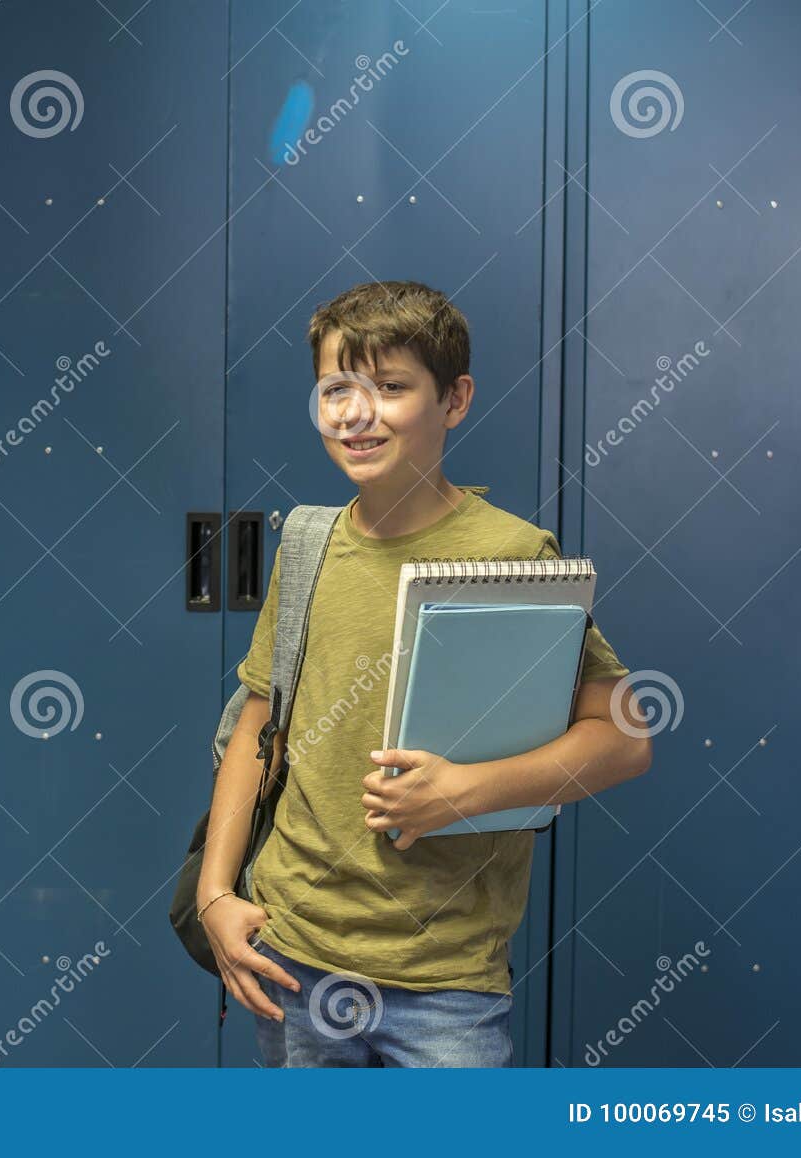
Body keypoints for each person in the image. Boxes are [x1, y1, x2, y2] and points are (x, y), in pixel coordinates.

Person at [194, 280, 652, 1067]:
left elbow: (624, 738)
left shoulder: (512, 556)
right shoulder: (307, 546)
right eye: (336, 389)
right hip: (292, 954)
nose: (356, 413)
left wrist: (464, 792)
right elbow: (254, 729)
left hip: (444, 983)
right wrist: (215, 895)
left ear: (455, 399)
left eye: (392, 388)